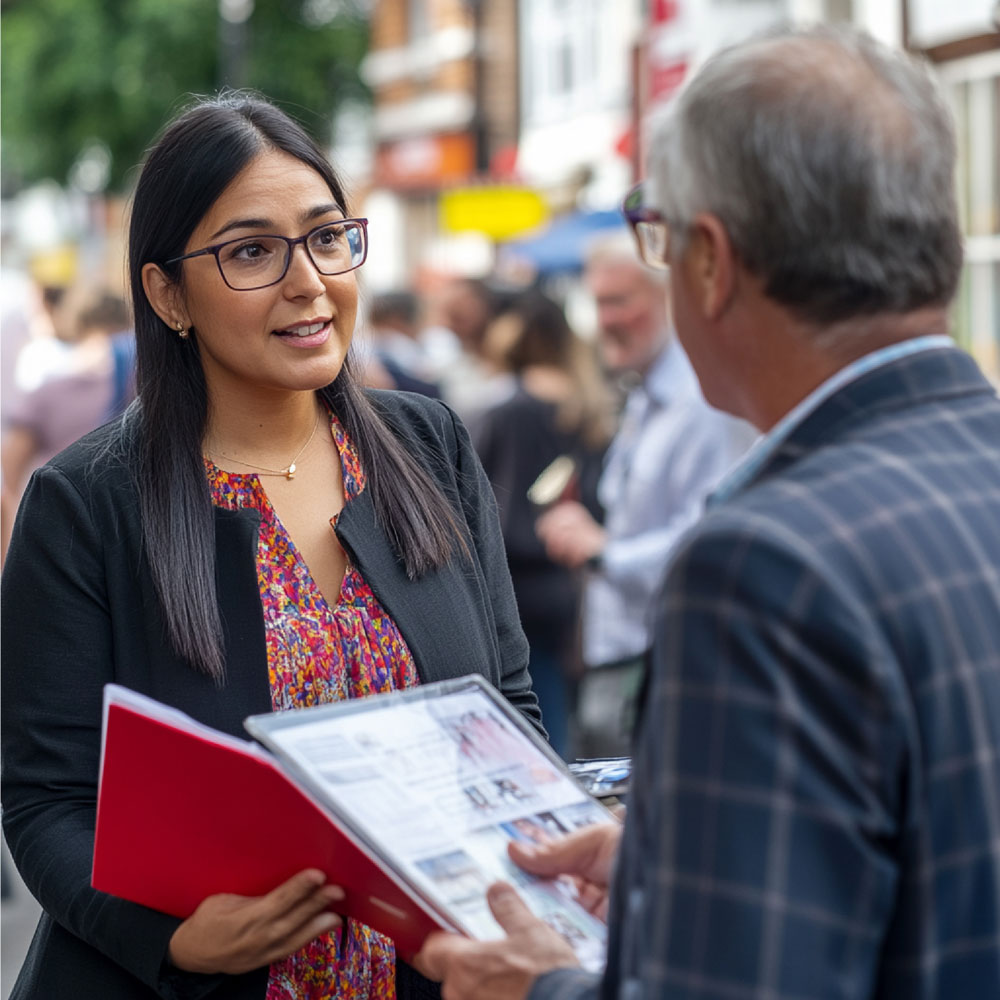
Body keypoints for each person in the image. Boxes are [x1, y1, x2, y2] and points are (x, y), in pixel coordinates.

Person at [416, 25, 1000, 1000]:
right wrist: (668, 863)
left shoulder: (766, 566)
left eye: (659, 233)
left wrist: (540, 988)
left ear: (709, 263)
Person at [1, 92, 541, 1000]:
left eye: (327, 238)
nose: (309, 282)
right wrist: (172, 938)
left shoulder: (429, 446)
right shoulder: (85, 504)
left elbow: (508, 711)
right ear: (167, 293)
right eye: (252, 252)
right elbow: (44, 801)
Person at [537, 232, 753, 755]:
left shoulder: (706, 399)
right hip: (622, 659)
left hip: (664, 665)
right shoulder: (645, 392)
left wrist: (603, 552)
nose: (605, 319)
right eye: (597, 302)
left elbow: (715, 542)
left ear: (672, 299)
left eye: (619, 300)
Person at [473, 291, 614, 758]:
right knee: (562, 707)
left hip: (516, 582)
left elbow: (480, 504)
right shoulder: (589, 406)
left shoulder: (507, 408)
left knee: (533, 716)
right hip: (572, 579)